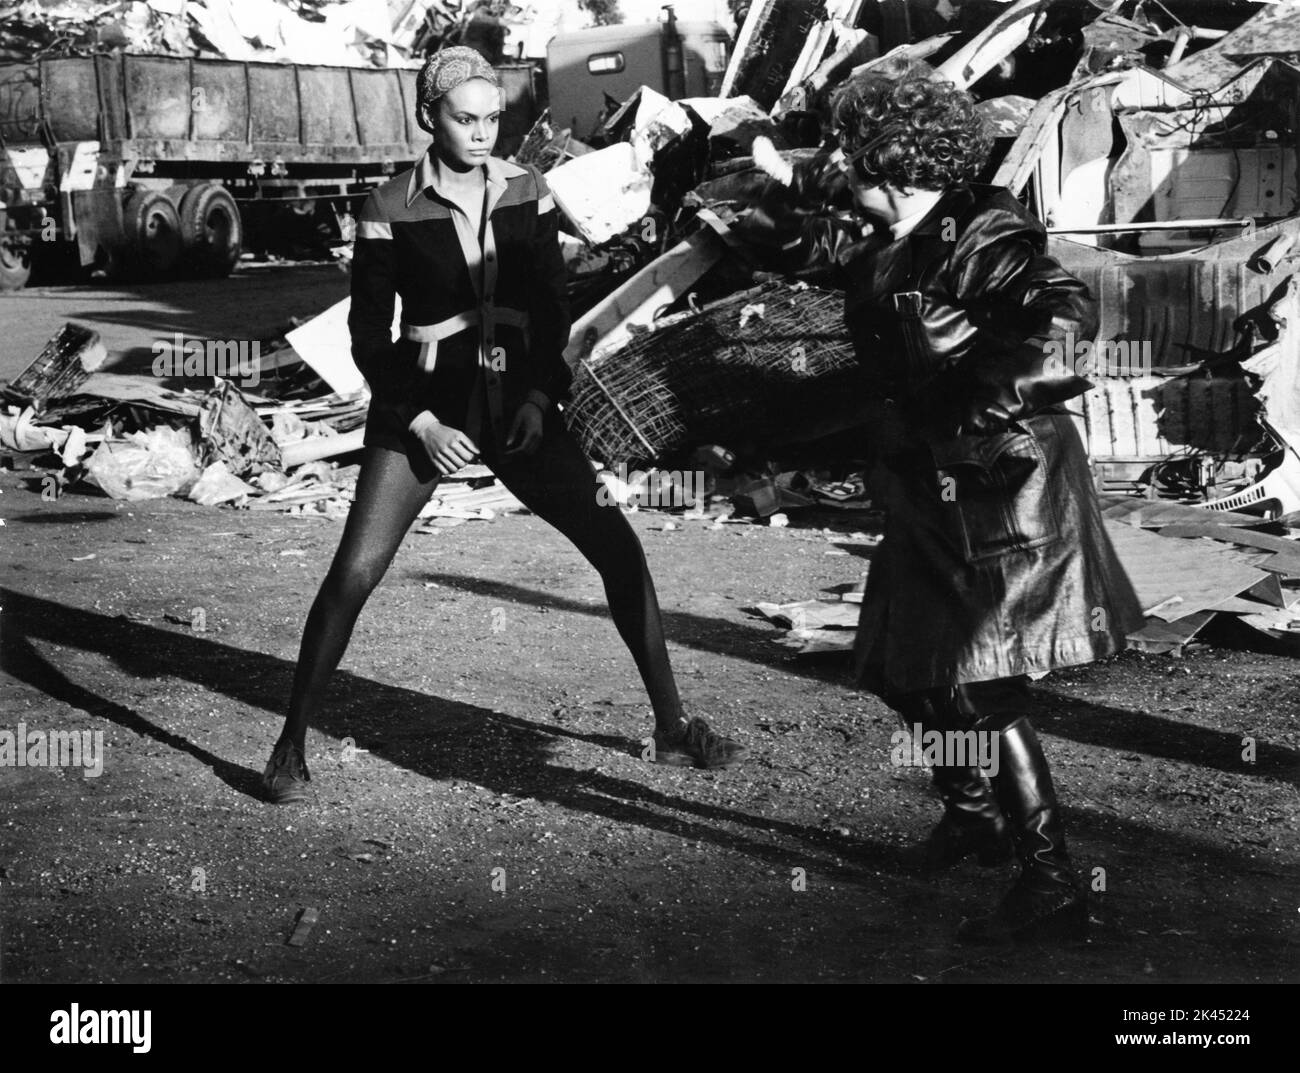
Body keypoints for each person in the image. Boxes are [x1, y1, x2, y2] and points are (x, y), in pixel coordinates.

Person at [261, 47, 746, 805]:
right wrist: (418, 423)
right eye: (466, 119)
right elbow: (366, 338)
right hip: (423, 414)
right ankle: (290, 746)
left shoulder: (530, 190)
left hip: (515, 410)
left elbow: (553, 310)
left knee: (620, 548)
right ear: (430, 117)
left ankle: (674, 730)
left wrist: (537, 398)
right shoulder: (387, 206)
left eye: (493, 119)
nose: (483, 133)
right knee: (354, 573)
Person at [755, 62, 1142, 942]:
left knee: (977, 685)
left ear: (888, 162)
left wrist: (976, 404)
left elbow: (1069, 321)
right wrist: (773, 176)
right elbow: (797, 215)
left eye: (852, 156)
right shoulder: (888, 232)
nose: (842, 171)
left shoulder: (984, 231)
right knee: (904, 669)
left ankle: (1052, 882)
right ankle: (974, 812)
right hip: (931, 484)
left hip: (1003, 485)